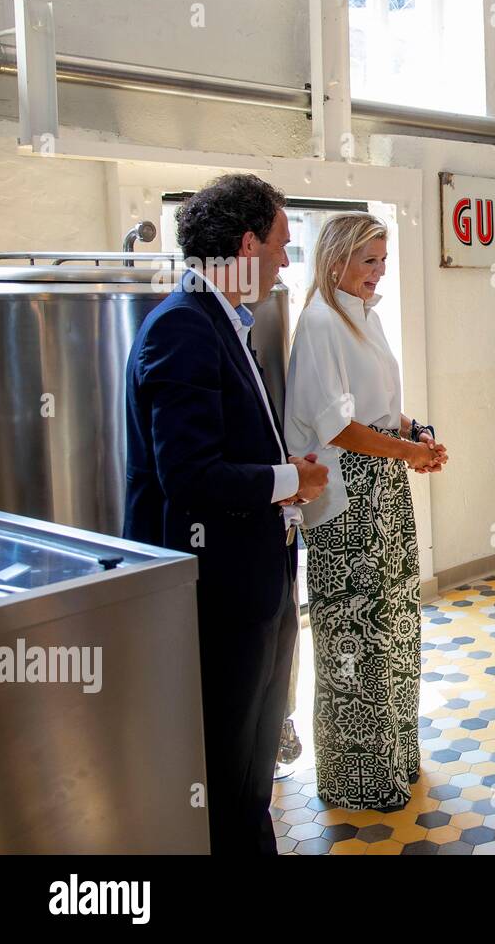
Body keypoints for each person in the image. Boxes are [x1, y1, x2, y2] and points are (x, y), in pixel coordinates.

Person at [124, 173, 328, 855]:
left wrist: (282, 478)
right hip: (219, 589)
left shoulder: (219, 318)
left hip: (254, 578)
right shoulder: (184, 325)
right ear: (246, 242)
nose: (283, 261)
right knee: (227, 757)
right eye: (279, 245)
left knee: (250, 760)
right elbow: (187, 476)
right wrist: (286, 478)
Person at [285, 212, 448, 810]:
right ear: (335, 263)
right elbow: (339, 426)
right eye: (369, 261)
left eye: (384, 259)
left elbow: (381, 409)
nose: (380, 272)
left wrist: (420, 437)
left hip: (384, 489)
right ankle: (356, 778)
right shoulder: (321, 321)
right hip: (348, 496)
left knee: (395, 629)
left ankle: (396, 758)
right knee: (356, 640)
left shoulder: (365, 319)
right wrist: (406, 450)